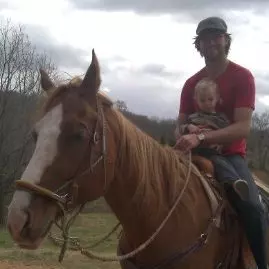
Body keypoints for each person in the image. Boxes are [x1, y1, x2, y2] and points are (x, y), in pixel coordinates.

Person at [174, 16, 268, 269]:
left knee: (252, 206)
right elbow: (179, 124)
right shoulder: (191, 84)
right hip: (193, 154)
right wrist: (185, 133)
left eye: (216, 36)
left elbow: (242, 127)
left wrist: (202, 136)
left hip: (230, 156)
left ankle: (261, 264)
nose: (211, 42)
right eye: (205, 39)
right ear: (199, 45)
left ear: (226, 40)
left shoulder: (242, 77)